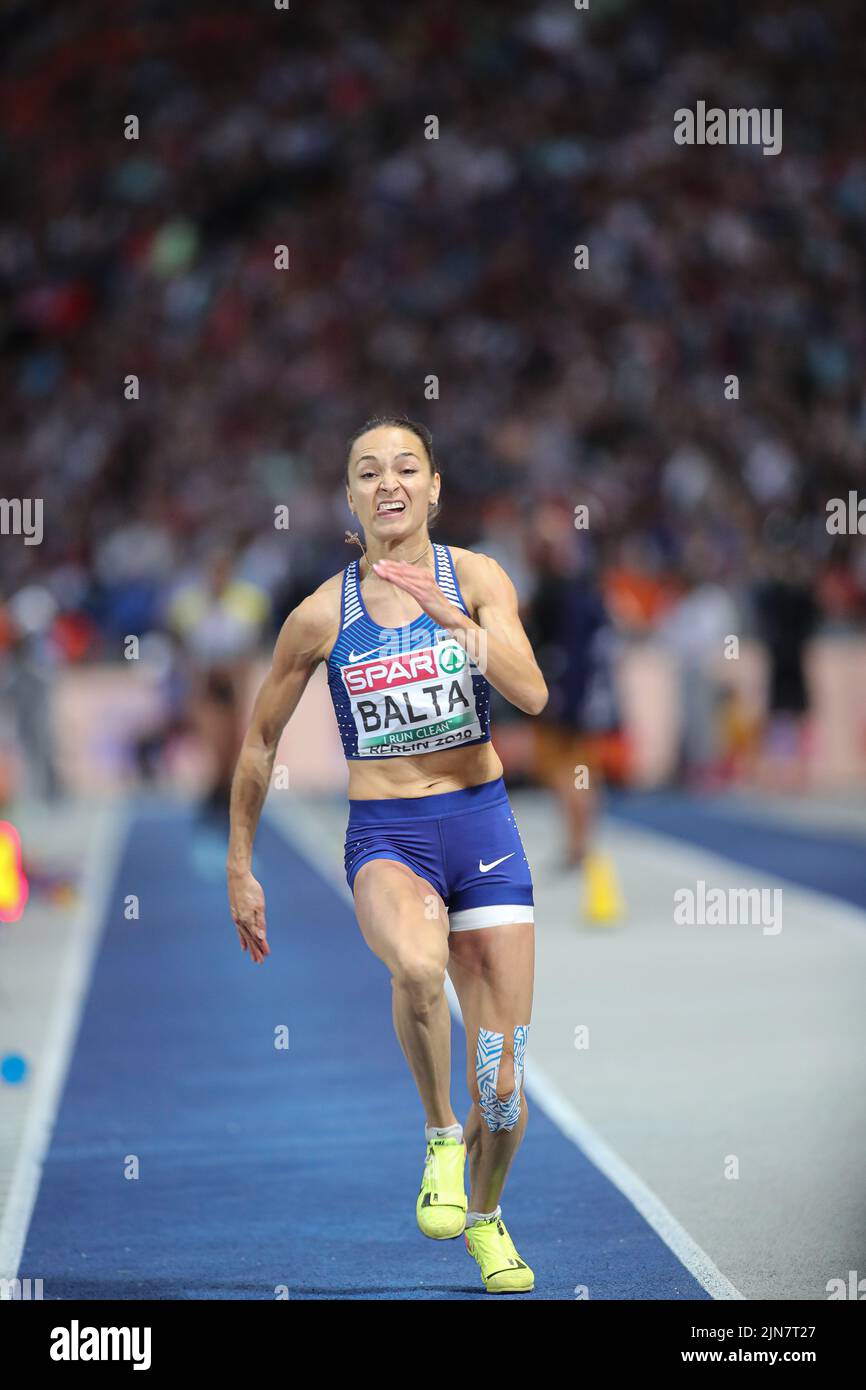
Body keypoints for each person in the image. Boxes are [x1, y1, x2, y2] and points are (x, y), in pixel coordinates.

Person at [226, 417, 548, 1294]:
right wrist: (239, 866)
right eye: (369, 471)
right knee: (414, 963)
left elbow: (532, 693)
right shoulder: (319, 616)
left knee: (506, 1091)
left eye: (407, 466)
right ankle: (440, 1132)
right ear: (351, 497)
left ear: (435, 487)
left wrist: (461, 625)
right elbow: (258, 743)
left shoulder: (476, 577)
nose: (389, 481)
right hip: (389, 839)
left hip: (484, 832)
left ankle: (486, 1218)